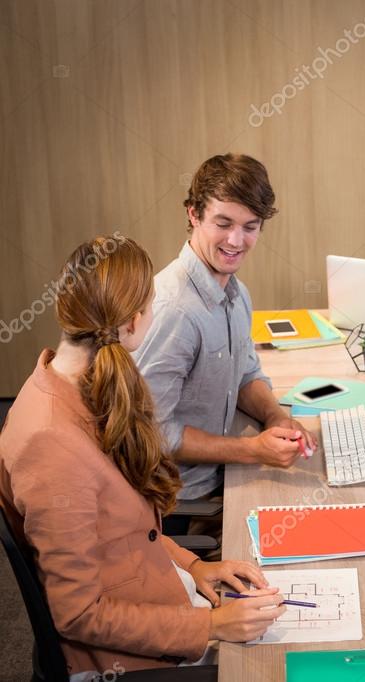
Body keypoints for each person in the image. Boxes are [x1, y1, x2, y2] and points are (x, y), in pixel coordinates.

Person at [0, 236, 285, 675]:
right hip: (122, 654)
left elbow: (126, 532)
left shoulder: (78, 385)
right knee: (277, 664)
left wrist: (194, 566)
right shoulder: (51, 443)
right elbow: (77, 614)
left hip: (158, 588)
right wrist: (211, 625)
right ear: (132, 323)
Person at [134, 154, 316, 504]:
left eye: (250, 227)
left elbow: (246, 373)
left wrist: (275, 416)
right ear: (193, 214)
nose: (236, 241)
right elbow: (151, 434)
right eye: (223, 223)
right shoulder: (174, 310)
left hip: (225, 473)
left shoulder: (236, 293)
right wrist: (251, 450)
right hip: (179, 502)